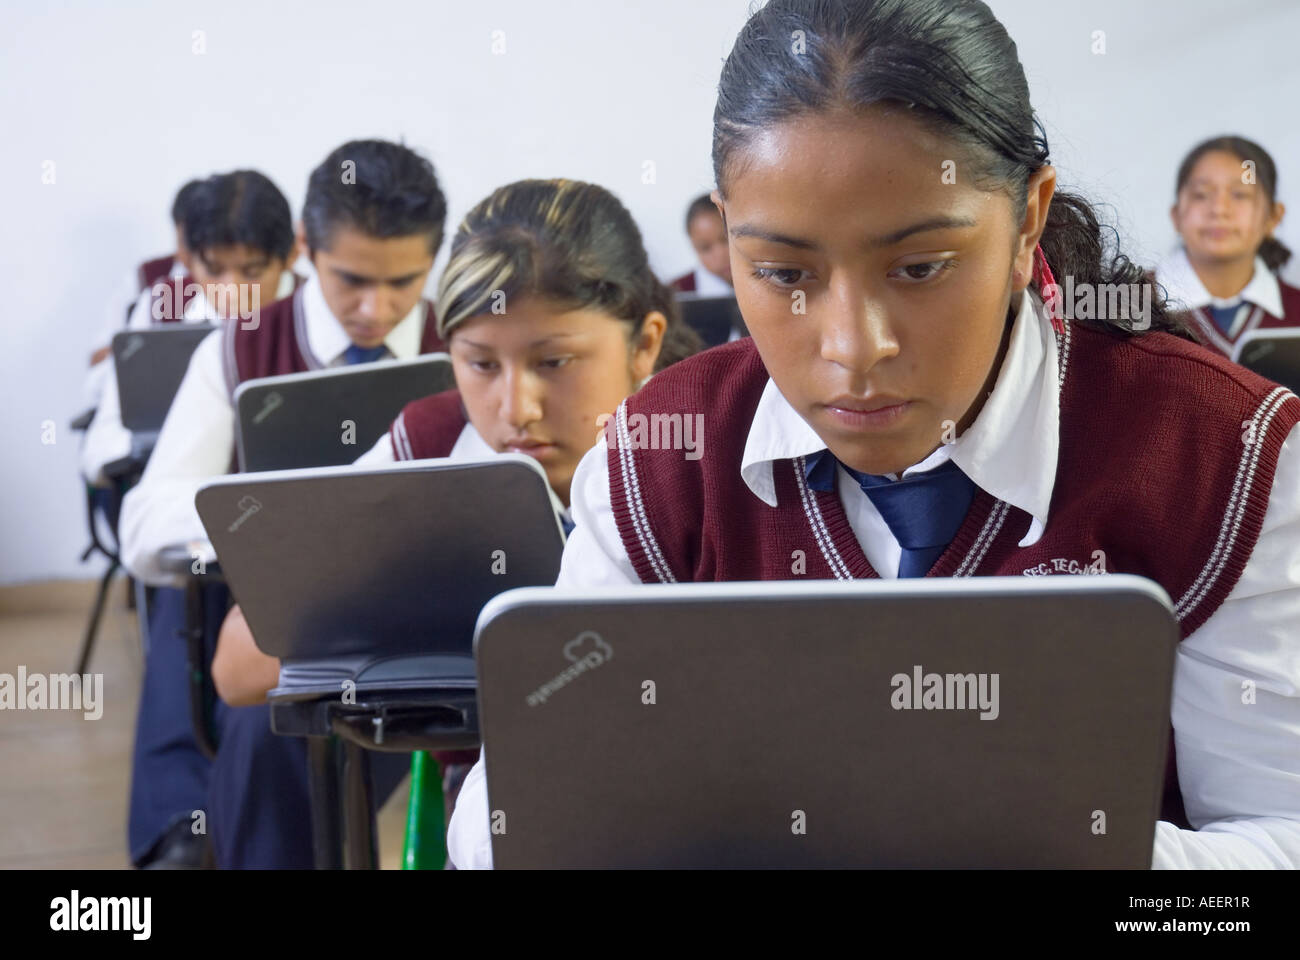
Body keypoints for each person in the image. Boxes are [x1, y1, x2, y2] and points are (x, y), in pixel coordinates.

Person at [449, 0, 1300, 869]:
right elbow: (506, 811)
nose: (855, 348)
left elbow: (1277, 842)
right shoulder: (661, 458)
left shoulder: (1220, 458)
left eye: (921, 267)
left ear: (1029, 219)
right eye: (782, 272)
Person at [205, 178, 701, 867]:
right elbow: (237, 667)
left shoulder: (702, 452)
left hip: (670, 802)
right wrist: (384, 582)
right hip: (494, 802)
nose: (515, 407)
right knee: (269, 735)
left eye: (554, 362)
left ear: (644, 345)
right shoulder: (432, 442)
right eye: (479, 363)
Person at [118, 140, 448, 869]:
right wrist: (279, 522)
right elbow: (142, 528)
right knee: (273, 729)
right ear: (306, 246)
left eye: (405, 282)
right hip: (276, 631)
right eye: (352, 279)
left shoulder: (462, 343)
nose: (377, 308)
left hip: (419, 623)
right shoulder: (238, 352)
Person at [79, 170, 301, 487]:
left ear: (291, 255)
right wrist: (163, 454)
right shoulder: (161, 305)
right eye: (213, 269)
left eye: (252, 271)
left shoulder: (311, 308)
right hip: (179, 497)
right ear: (186, 257)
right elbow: (105, 439)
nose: (231, 290)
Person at [1154, 135, 1297, 357]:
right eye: (1201, 195)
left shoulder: (1295, 311)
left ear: (1273, 217)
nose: (1219, 210)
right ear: (1176, 215)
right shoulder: (1128, 304)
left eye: (1240, 194)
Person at [668, 193, 733, 294]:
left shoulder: (765, 279)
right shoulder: (676, 292)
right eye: (705, 248)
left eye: (726, 239)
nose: (721, 255)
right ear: (694, 248)